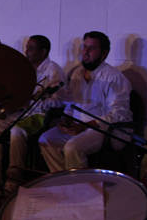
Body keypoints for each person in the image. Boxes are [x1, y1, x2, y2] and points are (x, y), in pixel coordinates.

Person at [39, 31, 132, 172]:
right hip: (78, 126)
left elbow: (118, 114)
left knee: (72, 147)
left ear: (104, 53)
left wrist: (85, 126)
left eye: (92, 48)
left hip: (103, 130)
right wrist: (66, 119)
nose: (86, 52)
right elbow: (71, 103)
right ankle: (63, 181)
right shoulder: (77, 73)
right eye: (84, 47)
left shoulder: (114, 77)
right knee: (46, 140)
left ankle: (80, 190)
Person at [0, 35, 64, 189]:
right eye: (27, 47)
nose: (26, 51)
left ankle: (14, 180)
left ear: (44, 52)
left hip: (39, 115)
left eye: (31, 48)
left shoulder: (54, 71)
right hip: (20, 111)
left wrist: (38, 100)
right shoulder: (25, 68)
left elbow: (59, 101)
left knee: (17, 131)